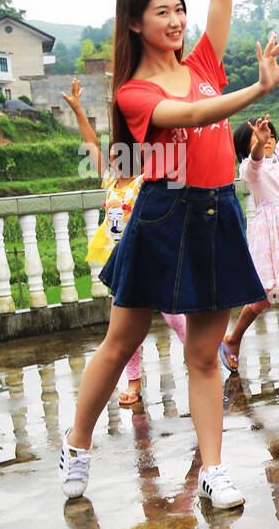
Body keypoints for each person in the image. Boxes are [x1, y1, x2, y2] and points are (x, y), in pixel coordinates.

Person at [58, 0, 279, 509]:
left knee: (204, 355)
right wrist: (255, 91)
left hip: (217, 212)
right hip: (163, 216)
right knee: (121, 342)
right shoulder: (134, 91)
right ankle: (77, 444)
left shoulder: (204, 62)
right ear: (135, 23)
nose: (177, 20)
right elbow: (188, 114)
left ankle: (213, 470)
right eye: (163, 12)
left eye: (179, 10)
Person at [63, 78, 188, 406]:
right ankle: (133, 381)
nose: (115, 158)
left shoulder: (145, 181)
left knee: (173, 314)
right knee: (124, 328)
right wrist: (78, 110)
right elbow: (90, 143)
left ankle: (202, 358)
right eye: (113, 153)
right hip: (120, 262)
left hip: (148, 255)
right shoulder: (110, 181)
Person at [219, 82, 279, 381]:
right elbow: (257, 158)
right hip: (269, 236)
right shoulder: (250, 168)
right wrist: (258, 144)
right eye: (261, 137)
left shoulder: (276, 159)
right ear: (247, 146)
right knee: (262, 297)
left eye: (270, 135)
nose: (269, 139)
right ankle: (233, 339)